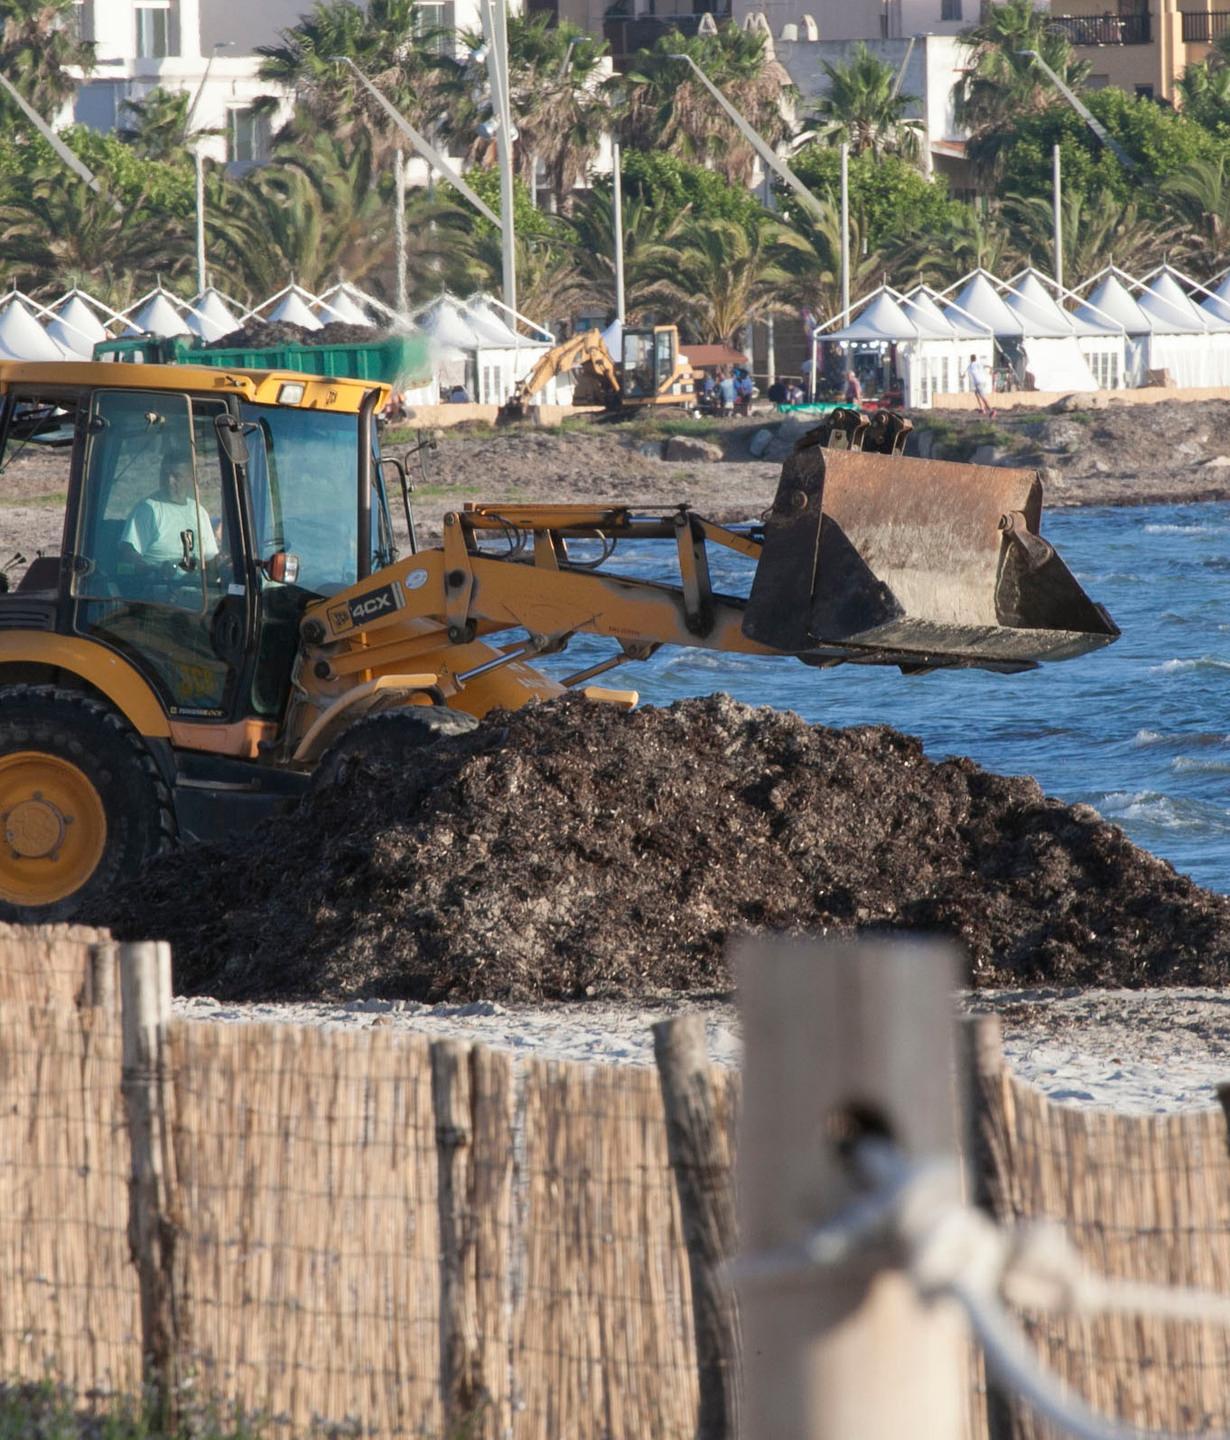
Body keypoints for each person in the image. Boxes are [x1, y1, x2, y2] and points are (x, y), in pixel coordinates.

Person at [118, 451, 218, 584]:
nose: (169, 481)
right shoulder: (148, 510)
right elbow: (128, 555)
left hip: (194, 589)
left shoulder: (199, 512)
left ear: (190, 478)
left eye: (176, 476)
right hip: (158, 589)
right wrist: (154, 570)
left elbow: (209, 557)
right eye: (165, 475)